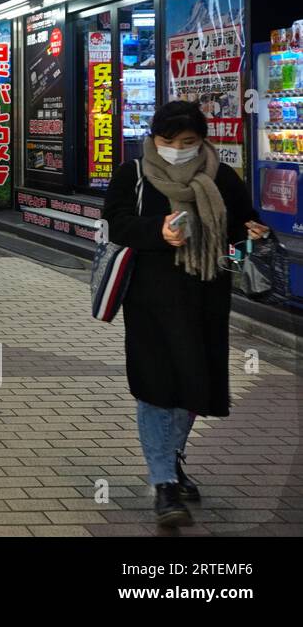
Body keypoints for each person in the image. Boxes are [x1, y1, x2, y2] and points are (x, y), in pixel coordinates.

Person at [102, 101, 267, 529]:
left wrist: (252, 231)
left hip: (206, 297)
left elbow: (239, 225)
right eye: (167, 142)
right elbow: (117, 224)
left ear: (203, 140)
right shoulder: (133, 175)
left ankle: (172, 460)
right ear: (154, 139)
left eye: (188, 142)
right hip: (150, 299)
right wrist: (157, 231)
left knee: (194, 384)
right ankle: (163, 484)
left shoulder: (222, 176)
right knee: (156, 386)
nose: (177, 149)